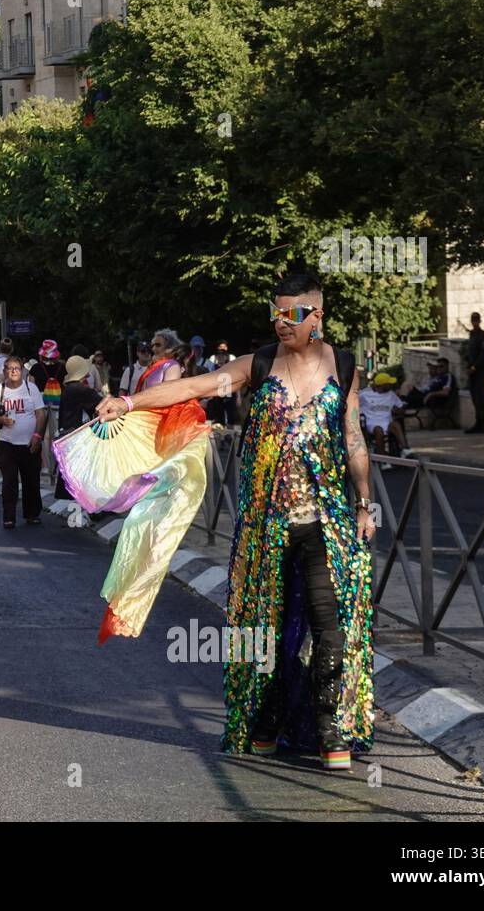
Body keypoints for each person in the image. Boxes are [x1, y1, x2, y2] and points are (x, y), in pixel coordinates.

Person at [97, 272, 375, 770]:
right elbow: (193, 387)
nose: (281, 322)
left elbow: (353, 439)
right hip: (264, 523)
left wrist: (364, 503)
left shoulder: (344, 366)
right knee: (262, 626)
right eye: (276, 312)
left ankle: (331, 728)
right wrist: (130, 401)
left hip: (325, 521)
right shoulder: (259, 363)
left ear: (317, 315)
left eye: (292, 314)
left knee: (327, 624)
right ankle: (265, 721)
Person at [0, 354, 47, 528]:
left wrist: (37, 436)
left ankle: (32, 514)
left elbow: (41, 413)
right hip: (7, 443)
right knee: (9, 481)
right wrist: (1, 420)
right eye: (10, 369)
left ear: (22, 371)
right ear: (4, 371)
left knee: (31, 481)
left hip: (29, 444)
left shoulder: (30, 388)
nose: (13, 372)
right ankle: (9, 517)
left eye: (17, 369)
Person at [53, 355, 102, 501]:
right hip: (79, 437)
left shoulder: (69, 388)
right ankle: (85, 511)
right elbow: (102, 403)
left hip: (68, 435)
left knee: (71, 474)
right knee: (81, 475)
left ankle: (77, 511)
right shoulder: (80, 389)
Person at [358, 372, 410, 462]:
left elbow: (400, 407)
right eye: (389, 384)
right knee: (379, 430)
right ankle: (382, 458)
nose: (391, 385)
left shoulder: (391, 394)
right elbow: (353, 402)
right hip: (371, 423)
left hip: (386, 421)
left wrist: (398, 410)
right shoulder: (364, 394)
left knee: (396, 425)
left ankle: (405, 449)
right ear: (383, 385)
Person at [464, 311, 484, 433]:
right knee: (474, 397)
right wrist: (468, 365)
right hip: (472, 370)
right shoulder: (472, 335)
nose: (474, 322)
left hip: (480, 370)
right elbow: (470, 352)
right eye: (473, 320)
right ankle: (478, 422)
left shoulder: (483, 335)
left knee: (480, 397)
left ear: (479, 321)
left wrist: (474, 366)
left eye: (476, 320)